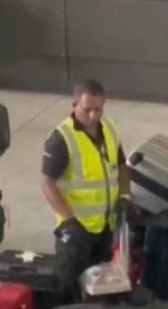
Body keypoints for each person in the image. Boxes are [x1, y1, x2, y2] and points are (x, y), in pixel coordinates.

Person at [41, 78, 132, 290]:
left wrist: (125, 196)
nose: (92, 115)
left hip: (105, 227)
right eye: (86, 109)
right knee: (70, 287)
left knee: (102, 288)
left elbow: (121, 164)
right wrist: (69, 221)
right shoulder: (61, 139)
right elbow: (47, 182)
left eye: (98, 110)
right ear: (74, 105)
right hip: (77, 234)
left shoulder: (109, 129)